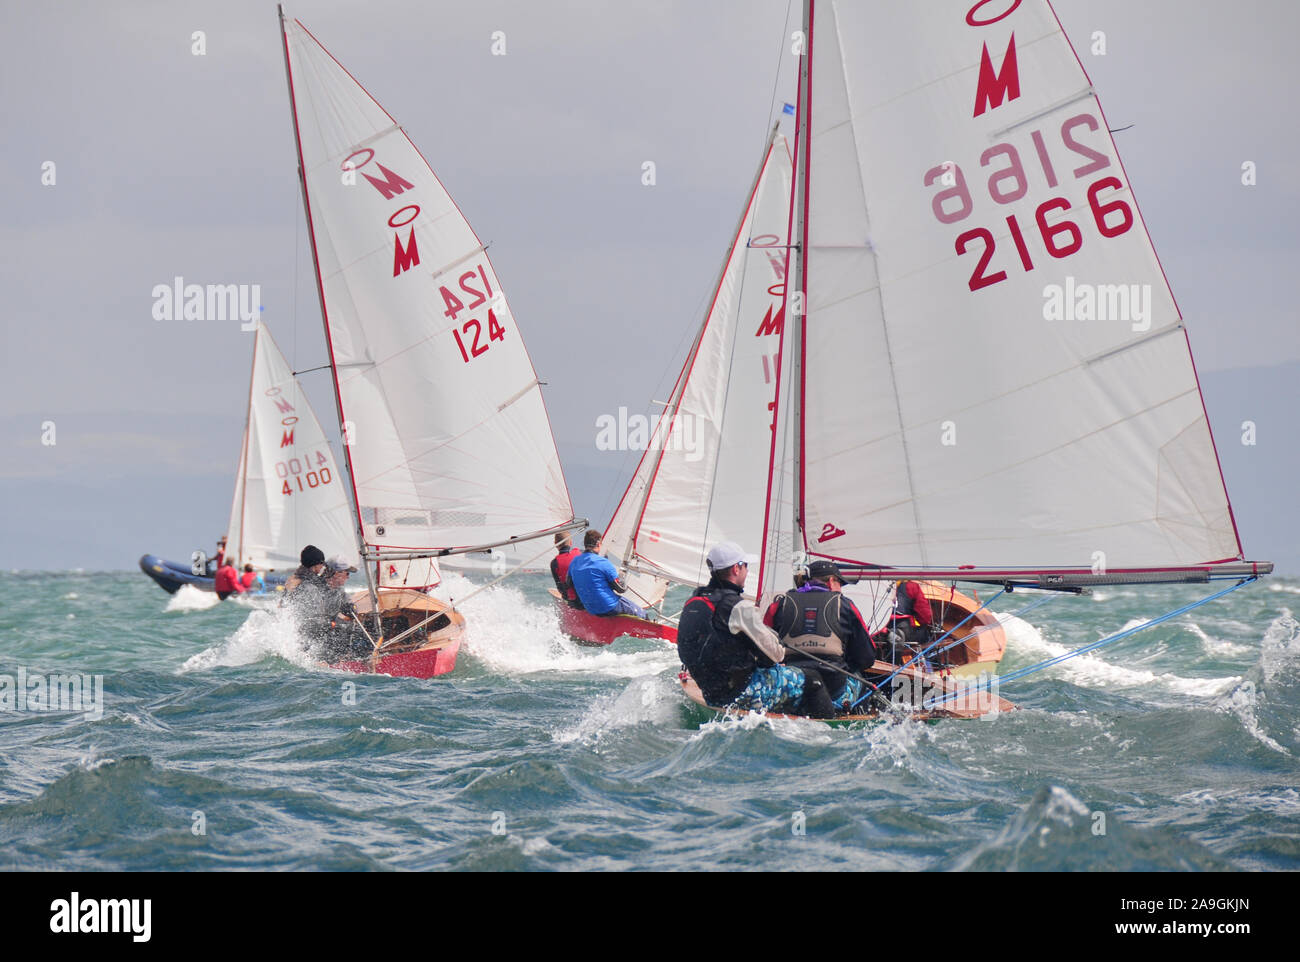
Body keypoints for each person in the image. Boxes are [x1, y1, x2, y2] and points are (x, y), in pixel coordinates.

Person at [677, 542, 835, 718]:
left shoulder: (695, 600)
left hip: (710, 692)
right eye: (745, 566)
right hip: (739, 694)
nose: (747, 571)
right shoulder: (738, 607)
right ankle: (829, 730)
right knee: (813, 679)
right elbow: (775, 656)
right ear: (736, 569)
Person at [764, 559, 878, 713]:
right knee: (860, 679)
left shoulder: (778, 606)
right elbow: (867, 657)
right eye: (840, 584)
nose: (841, 590)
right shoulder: (845, 605)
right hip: (833, 687)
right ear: (832, 580)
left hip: (793, 683)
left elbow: (764, 648)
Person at [566, 529, 647, 618]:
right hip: (609, 607)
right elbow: (621, 589)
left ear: (585, 544)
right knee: (643, 613)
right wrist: (622, 578)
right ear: (598, 544)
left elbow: (569, 584)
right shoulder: (603, 562)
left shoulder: (574, 561)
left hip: (590, 608)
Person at [874, 580, 937, 665]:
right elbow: (925, 617)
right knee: (927, 634)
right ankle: (930, 664)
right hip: (904, 632)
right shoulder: (912, 587)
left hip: (878, 631)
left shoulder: (875, 585)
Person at [550, 532, 583, 609]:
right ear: (571, 542)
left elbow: (560, 588)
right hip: (588, 596)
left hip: (574, 602)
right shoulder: (581, 554)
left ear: (555, 544)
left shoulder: (554, 563)